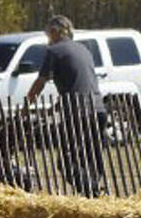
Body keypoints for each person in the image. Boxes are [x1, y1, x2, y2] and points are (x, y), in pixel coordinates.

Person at [25, 15, 106, 196]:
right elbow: (78, 81)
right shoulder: (84, 49)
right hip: (98, 108)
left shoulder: (54, 51)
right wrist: (55, 107)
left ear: (54, 32)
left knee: (67, 162)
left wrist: (26, 105)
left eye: (48, 35)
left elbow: (41, 81)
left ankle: (91, 192)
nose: (48, 39)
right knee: (93, 156)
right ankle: (95, 192)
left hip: (79, 112)